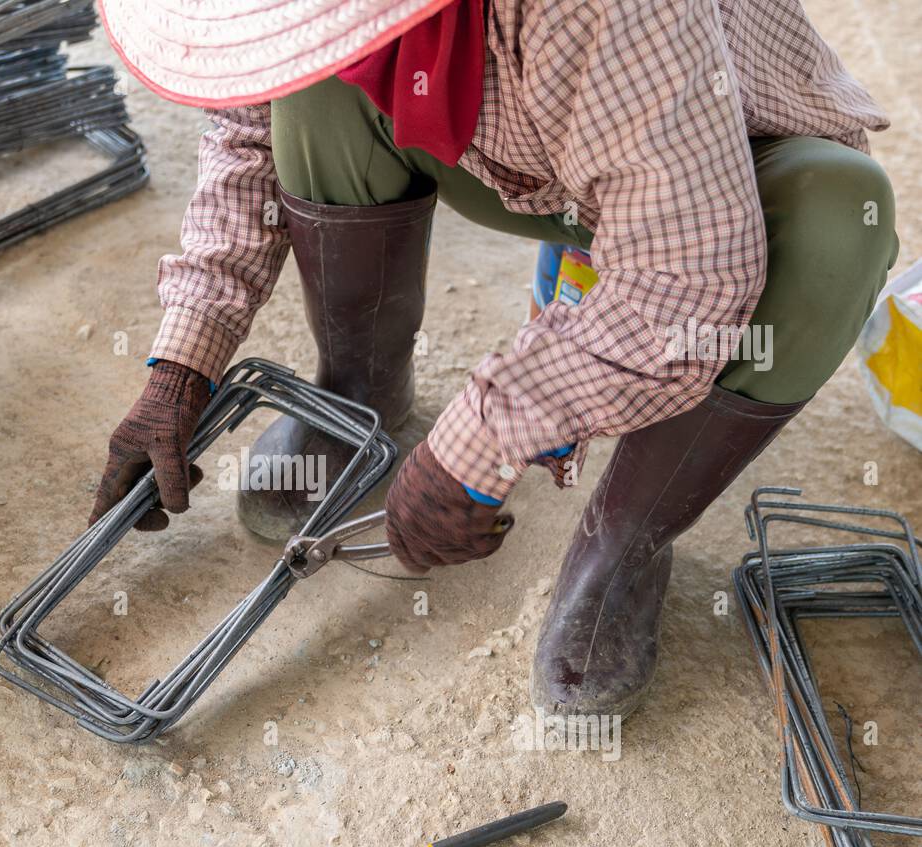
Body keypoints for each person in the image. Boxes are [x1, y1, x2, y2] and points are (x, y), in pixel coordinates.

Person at [89, 0, 898, 719]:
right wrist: (181, 363)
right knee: (311, 82)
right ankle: (359, 400)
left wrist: (475, 445)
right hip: (528, 154)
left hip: (724, 194)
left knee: (839, 221)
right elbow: (249, 132)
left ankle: (624, 543)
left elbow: (685, 279)